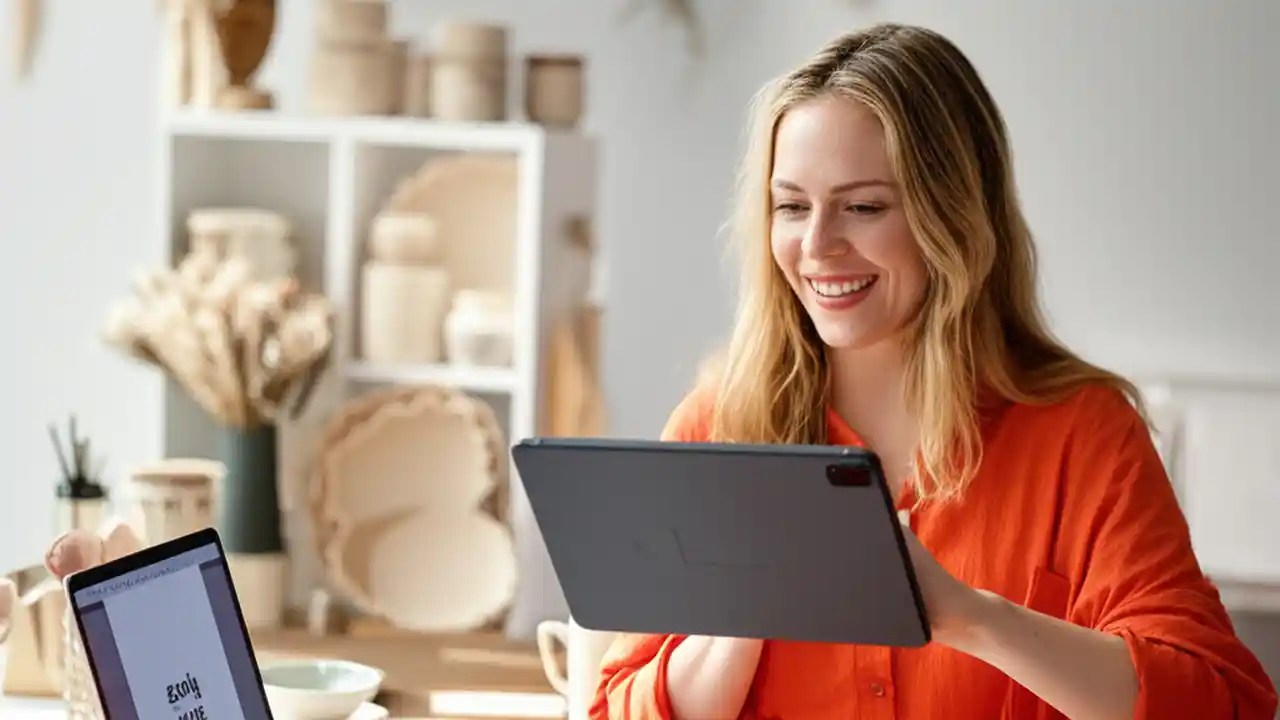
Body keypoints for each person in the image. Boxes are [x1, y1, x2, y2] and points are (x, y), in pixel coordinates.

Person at [591, 22, 1278, 720]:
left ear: (951, 214)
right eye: (792, 207)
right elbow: (614, 705)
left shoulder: (1085, 435)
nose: (818, 245)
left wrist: (970, 617)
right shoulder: (715, 432)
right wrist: (738, 620)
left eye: (863, 207)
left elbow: (1221, 704)